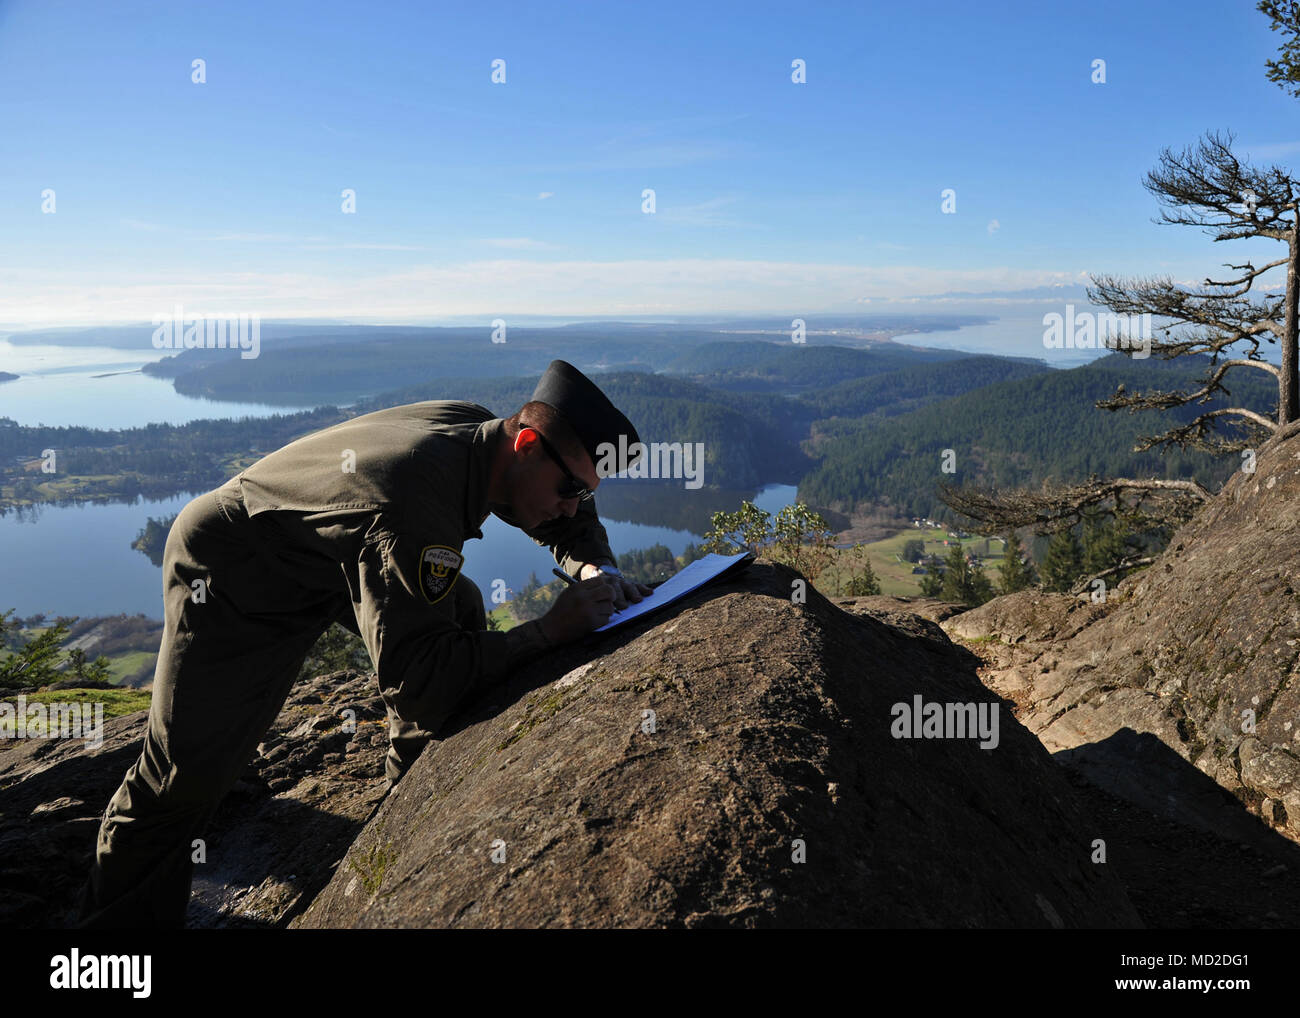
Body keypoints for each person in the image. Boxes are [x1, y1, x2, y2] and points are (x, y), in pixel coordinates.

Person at [76, 359, 651, 928]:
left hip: (321, 551)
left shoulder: (489, 439)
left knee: (460, 605)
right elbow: (419, 682)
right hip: (233, 569)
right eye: (571, 487)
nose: (574, 504)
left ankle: (409, 798)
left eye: (584, 491)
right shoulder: (415, 494)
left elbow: (564, 515)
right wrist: (549, 631)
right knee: (181, 776)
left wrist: (595, 567)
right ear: (525, 443)